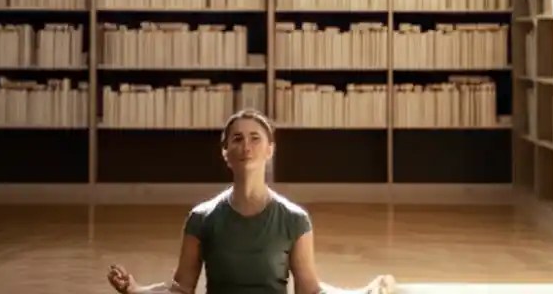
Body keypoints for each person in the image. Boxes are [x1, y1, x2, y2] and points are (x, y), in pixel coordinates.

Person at [106, 109, 397, 294]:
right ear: (225, 152)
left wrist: (362, 293)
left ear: (270, 150)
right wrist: (136, 290)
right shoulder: (202, 218)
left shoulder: (294, 219)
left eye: (255, 138)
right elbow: (181, 290)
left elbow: (309, 290)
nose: (246, 146)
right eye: (237, 139)